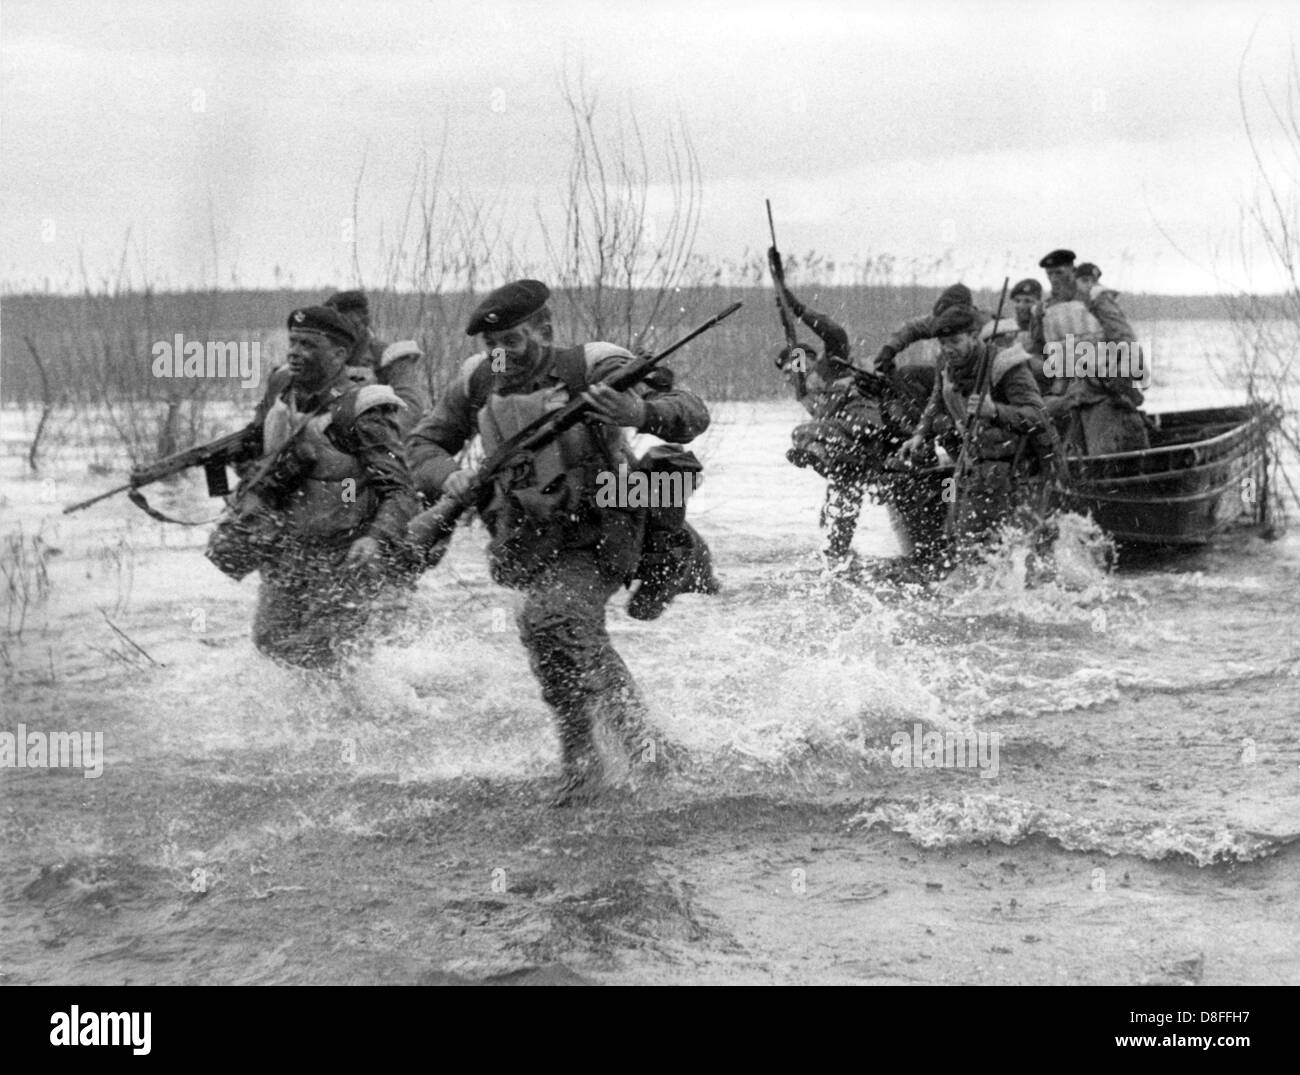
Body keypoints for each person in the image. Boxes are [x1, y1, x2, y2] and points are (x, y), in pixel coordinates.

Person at [405, 280, 715, 805]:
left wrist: (637, 414)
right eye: (492, 346)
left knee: (558, 618)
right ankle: (593, 754)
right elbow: (424, 442)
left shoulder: (591, 367)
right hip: (528, 538)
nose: (501, 356)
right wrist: (446, 478)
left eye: (514, 342)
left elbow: (690, 411)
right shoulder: (477, 381)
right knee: (544, 634)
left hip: (603, 524)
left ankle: (631, 751)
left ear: (545, 330)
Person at [202, 306, 418, 670]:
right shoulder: (281, 386)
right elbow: (258, 444)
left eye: (308, 345)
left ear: (338, 354)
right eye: (293, 342)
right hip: (288, 548)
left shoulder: (361, 410)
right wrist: (226, 461)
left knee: (323, 650)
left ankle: (363, 710)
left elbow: (400, 490)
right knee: (271, 643)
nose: (295, 352)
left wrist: (375, 538)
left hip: (344, 551)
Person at [768, 247, 894, 566]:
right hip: (846, 453)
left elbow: (834, 333)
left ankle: (824, 458)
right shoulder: (804, 391)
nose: (789, 379)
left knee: (803, 434)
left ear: (807, 361)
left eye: (792, 370)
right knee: (833, 516)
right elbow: (799, 377)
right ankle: (838, 560)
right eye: (786, 375)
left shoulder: (831, 368)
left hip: (865, 432)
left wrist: (792, 304)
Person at [899, 304, 1053, 547]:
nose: (948, 349)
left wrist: (995, 411)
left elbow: (1037, 415)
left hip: (1019, 472)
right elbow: (937, 398)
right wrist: (919, 434)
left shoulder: (1005, 365)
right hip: (974, 467)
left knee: (1021, 551)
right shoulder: (946, 364)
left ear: (973, 336)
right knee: (965, 544)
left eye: (954, 342)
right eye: (943, 343)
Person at [324, 289, 430, 433]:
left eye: (344, 324)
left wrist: (378, 434)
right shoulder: (326, 359)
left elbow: (410, 406)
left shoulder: (391, 357)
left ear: (362, 322)